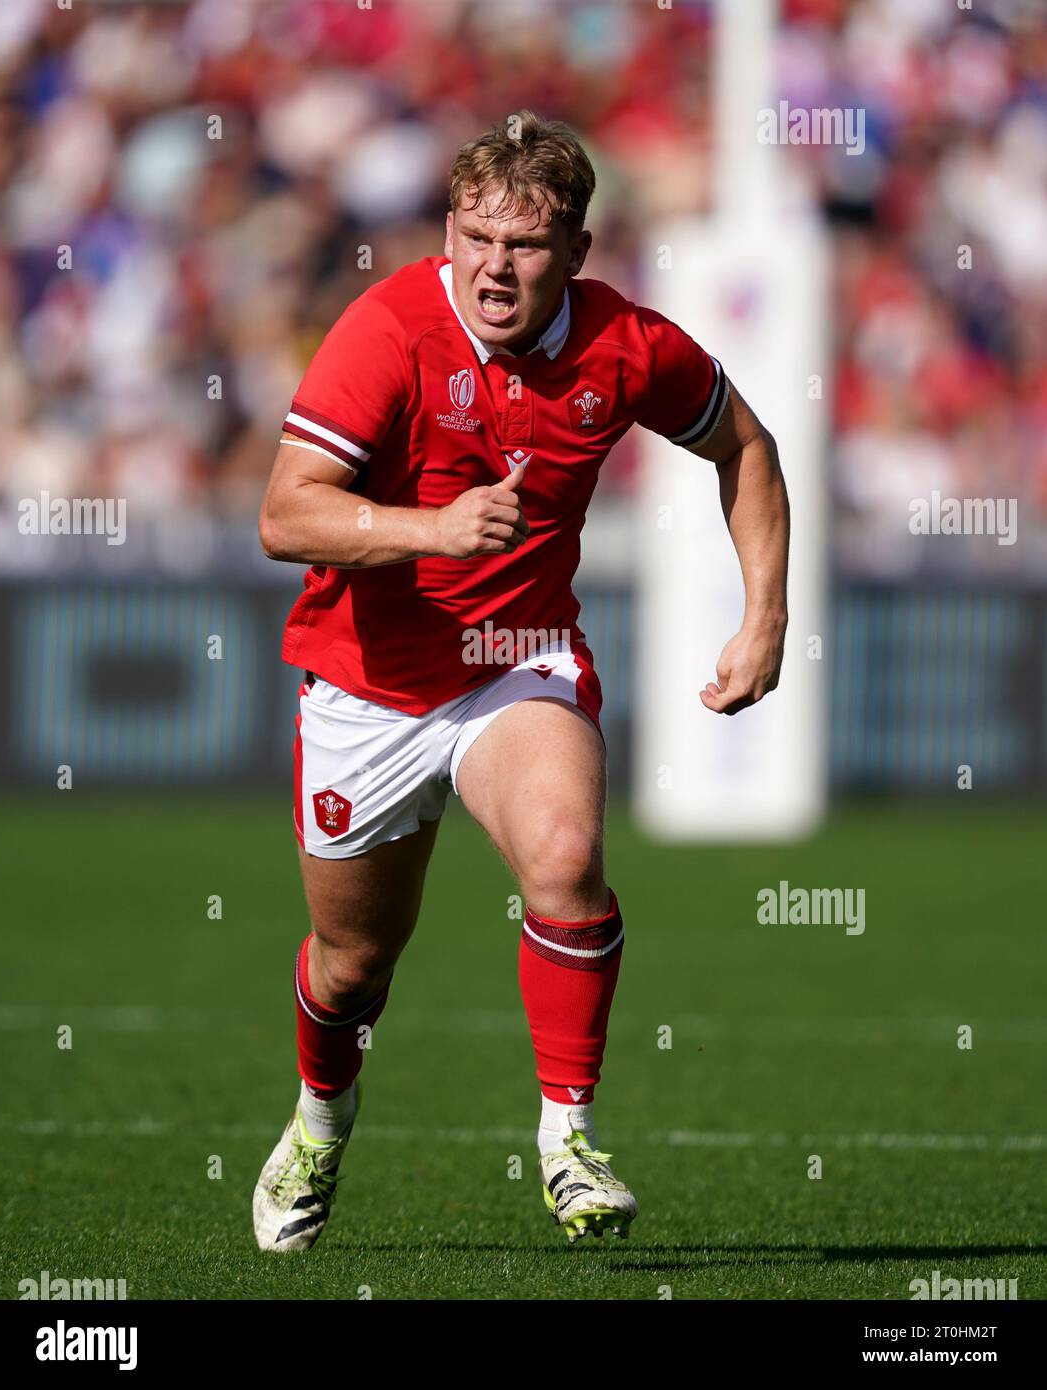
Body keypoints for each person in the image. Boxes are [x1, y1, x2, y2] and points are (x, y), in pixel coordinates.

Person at [253, 110, 789, 1251]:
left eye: (528, 243)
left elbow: (743, 445)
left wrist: (764, 616)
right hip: (367, 683)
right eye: (474, 235)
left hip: (517, 662)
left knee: (565, 858)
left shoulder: (625, 346)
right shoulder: (387, 328)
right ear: (447, 233)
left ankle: (568, 1140)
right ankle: (319, 1115)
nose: (496, 265)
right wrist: (426, 528)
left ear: (577, 254)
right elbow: (282, 515)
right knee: (352, 967)